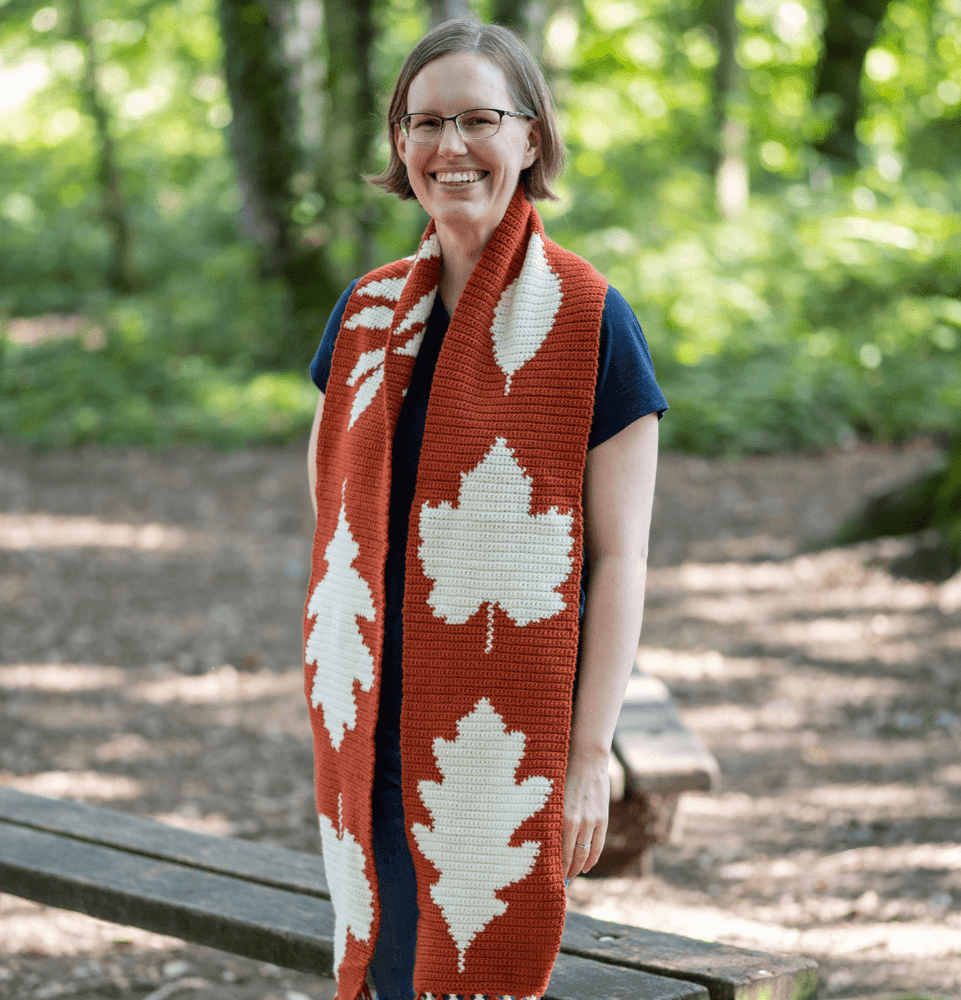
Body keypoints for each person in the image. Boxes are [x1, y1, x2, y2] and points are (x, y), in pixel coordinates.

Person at [304, 19, 666, 1000]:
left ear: (532, 137)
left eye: (477, 118)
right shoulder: (364, 317)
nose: (447, 145)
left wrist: (589, 754)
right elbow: (334, 515)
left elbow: (622, 557)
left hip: (501, 749)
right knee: (386, 975)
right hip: (368, 732)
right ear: (398, 145)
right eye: (423, 121)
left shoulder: (593, 320)